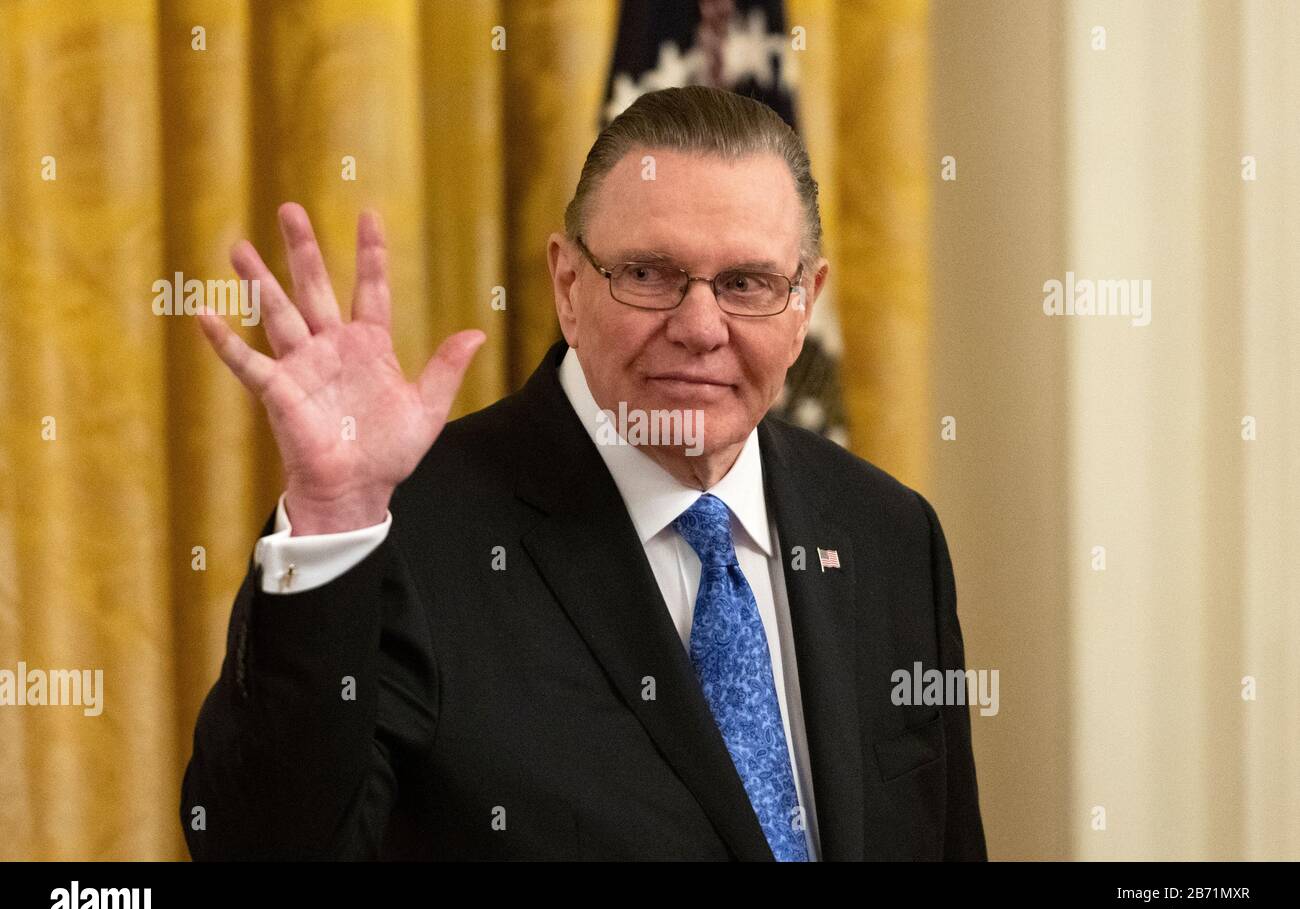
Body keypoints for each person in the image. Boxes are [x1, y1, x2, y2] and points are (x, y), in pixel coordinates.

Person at [181, 85, 987, 861]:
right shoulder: (405, 536)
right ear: (569, 285)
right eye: (648, 274)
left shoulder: (889, 533)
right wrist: (332, 517)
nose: (700, 327)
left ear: (805, 302)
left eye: (747, 283)